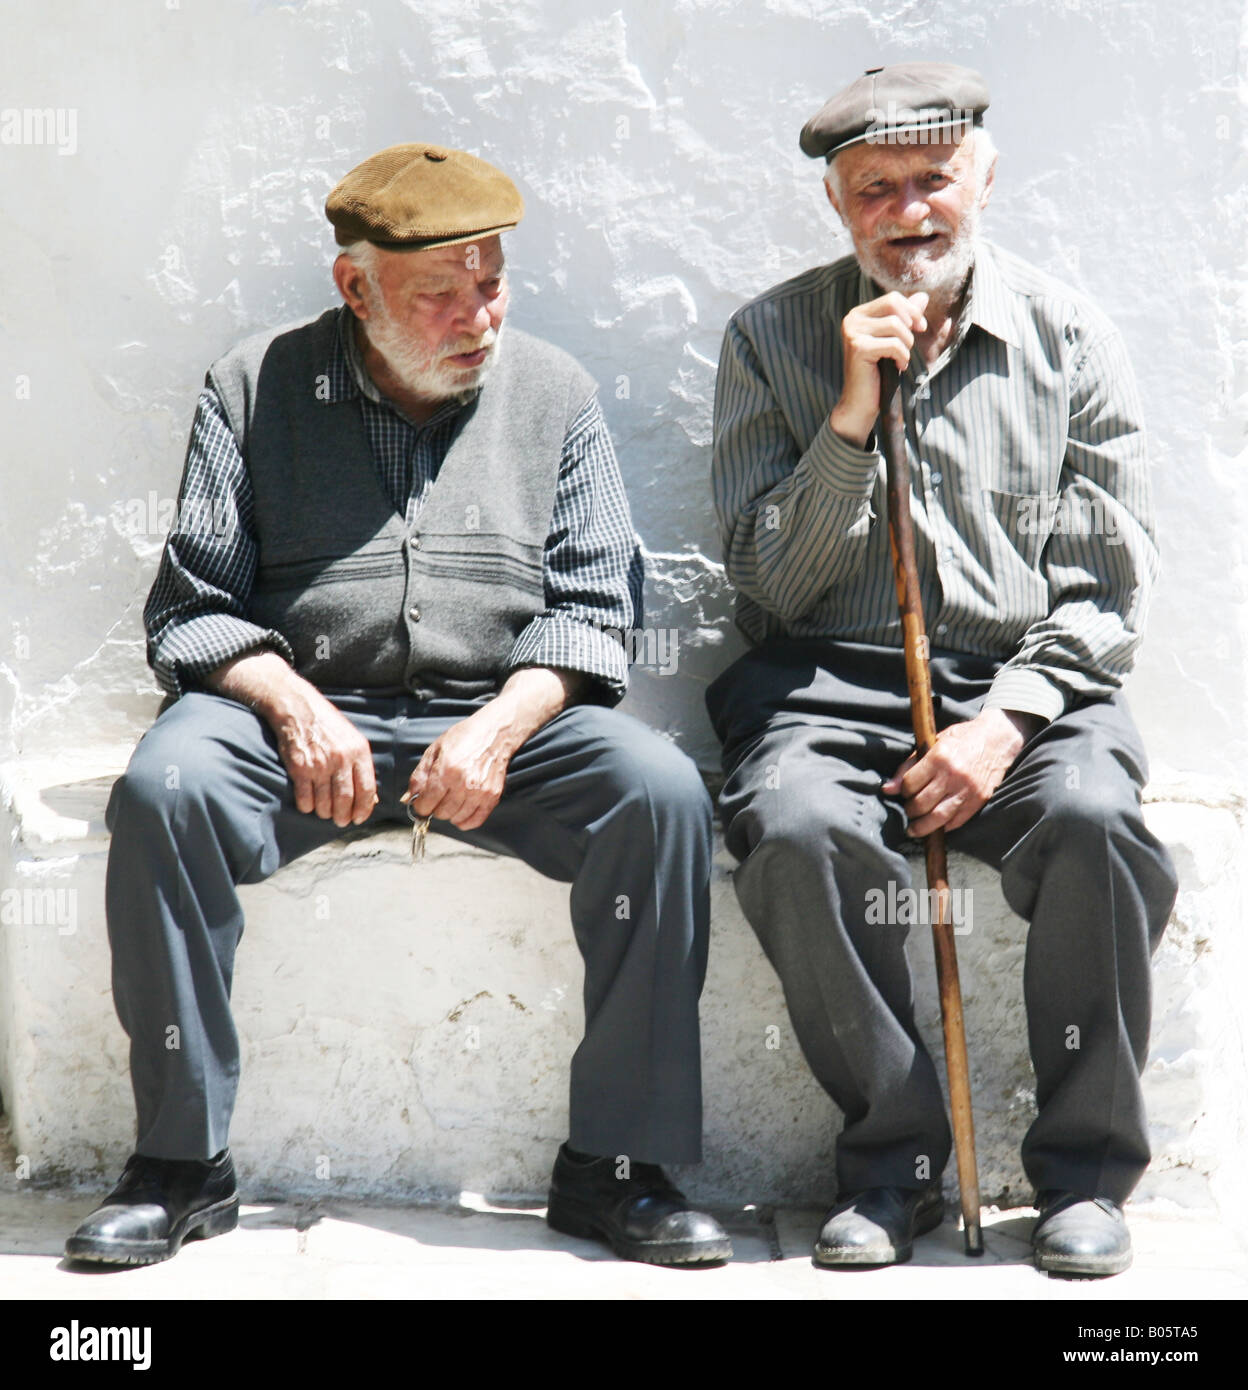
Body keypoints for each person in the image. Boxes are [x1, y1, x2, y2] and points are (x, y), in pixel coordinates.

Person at [66, 143, 731, 1269]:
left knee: (659, 794)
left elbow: (590, 613)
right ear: (355, 287)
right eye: (442, 293)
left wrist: (500, 725)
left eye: (494, 282)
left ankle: (621, 1167)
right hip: (293, 717)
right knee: (165, 785)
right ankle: (180, 1165)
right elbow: (192, 608)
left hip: (496, 714)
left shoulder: (555, 393)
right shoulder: (253, 385)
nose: (480, 316)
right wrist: (287, 700)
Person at [708, 64, 1177, 1277]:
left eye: (934, 179)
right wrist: (851, 417)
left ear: (984, 176)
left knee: (1098, 823)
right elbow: (769, 589)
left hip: (1031, 688)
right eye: (878, 190)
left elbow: (1106, 591)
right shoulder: (770, 339)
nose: (910, 211)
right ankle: (896, 1163)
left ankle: (1082, 1175)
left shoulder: (1070, 339)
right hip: (826, 680)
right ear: (836, 203)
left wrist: (1001, 728)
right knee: (799, 828)